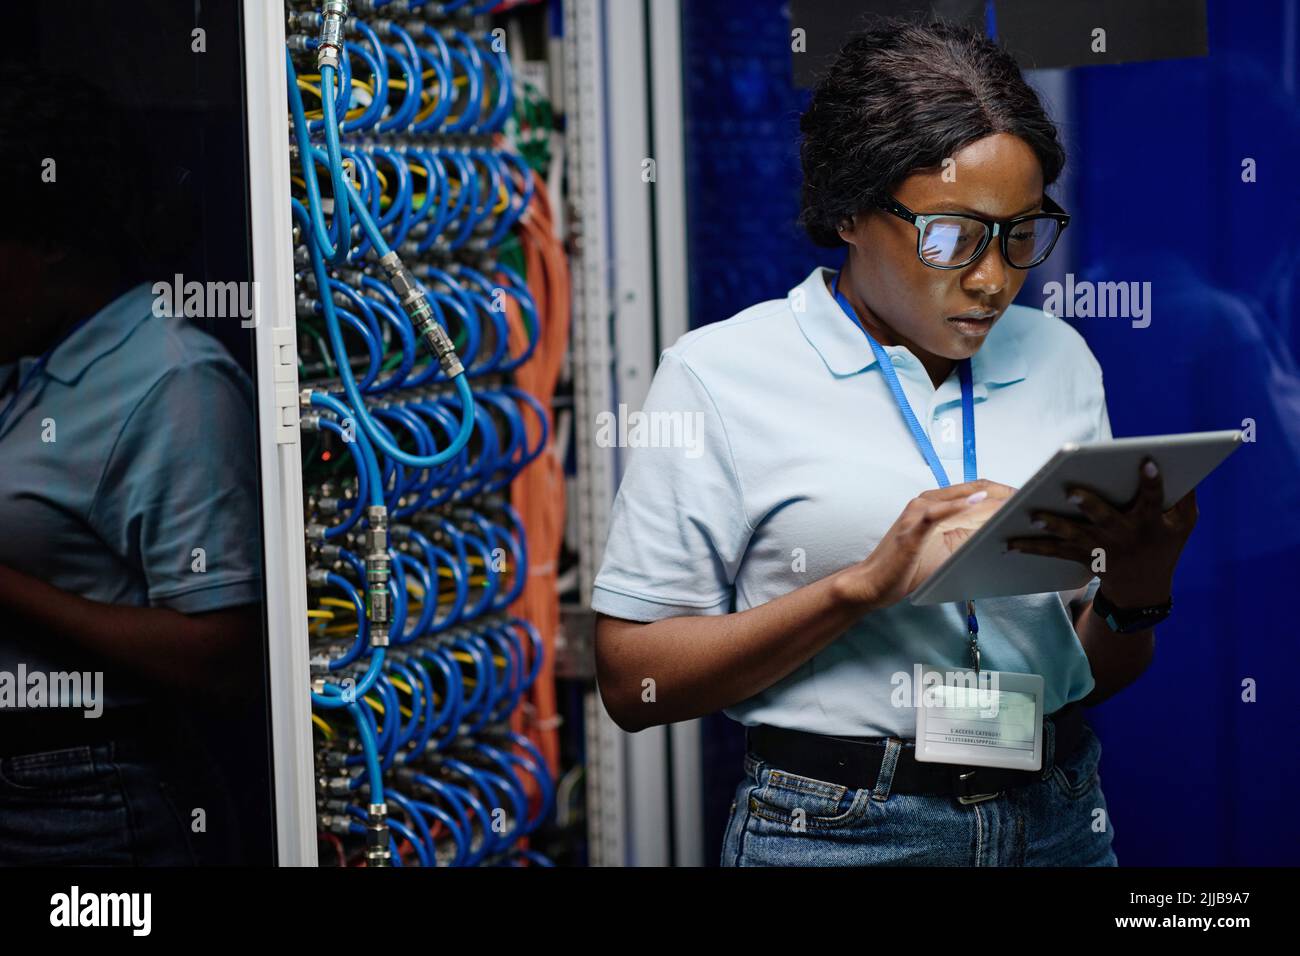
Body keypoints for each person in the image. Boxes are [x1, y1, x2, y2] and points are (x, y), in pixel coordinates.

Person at [590, 20, 1198, 866]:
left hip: (1056, 815)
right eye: (951, 236)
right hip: (841, 832)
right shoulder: (719, 375)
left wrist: (1139, 588)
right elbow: (631, 682)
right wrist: (859, 590)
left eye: (1021, 234)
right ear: (848, 209)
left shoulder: (1060, 357)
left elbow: (1095, 672)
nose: (992, 277)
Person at [0, 66, 265, 865]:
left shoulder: (174, 379)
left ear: (51, 243)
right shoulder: (31, 364)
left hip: (82, 801)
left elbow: (222, 654)